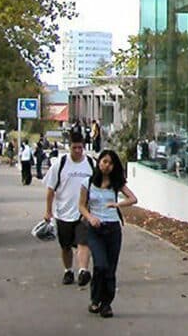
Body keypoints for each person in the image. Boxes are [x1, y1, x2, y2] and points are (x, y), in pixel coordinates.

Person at [79, 149, 137, 318]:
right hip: (95, 229)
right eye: (104, 161)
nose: (107, 166)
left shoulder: (116, 183)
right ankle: (95, 299)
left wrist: (118, 205)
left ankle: (106, 304)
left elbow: (133, 199)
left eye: (110, 163)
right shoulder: (87, 183)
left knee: (110, 269)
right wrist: (90, 218)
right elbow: (81, 205)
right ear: (99, 163)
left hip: (113, 229)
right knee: (100, 265)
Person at [43, 127, 94, 287]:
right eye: (74, 147)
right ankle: (68, 270)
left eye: (80, 147)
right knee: (66, 246)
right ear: (69, 147)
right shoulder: (60, 164)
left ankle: (83, 271)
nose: (78, 151)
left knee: (83, 242)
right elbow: (50, 189)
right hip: (63, 213)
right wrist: (48, 211)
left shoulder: (91, 164)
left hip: (84, 213)